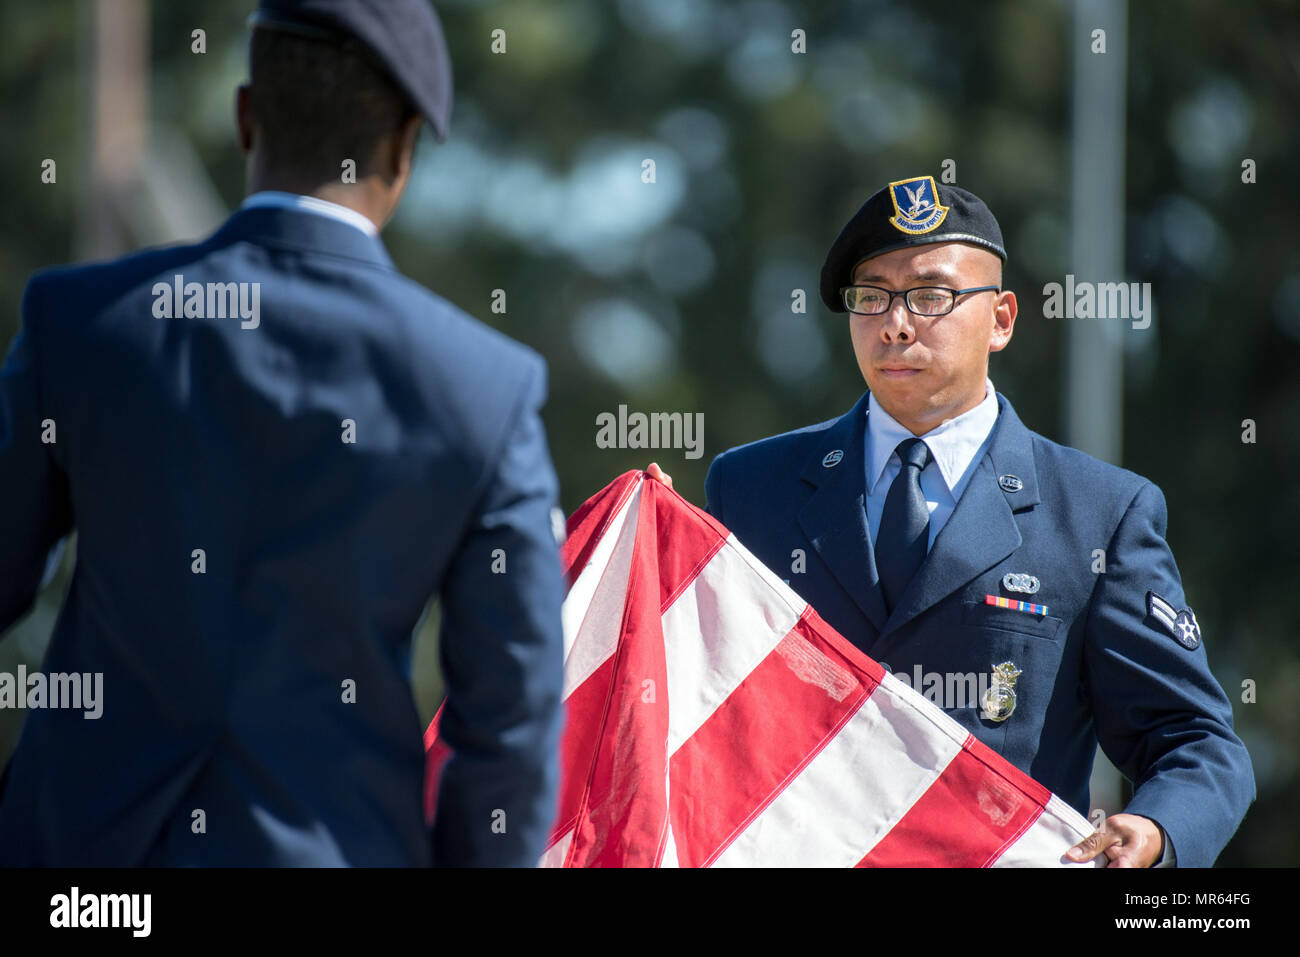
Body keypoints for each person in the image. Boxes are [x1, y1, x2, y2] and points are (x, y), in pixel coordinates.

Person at [0, 0, 565, 866]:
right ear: (407, 145)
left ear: (244, 115)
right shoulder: (486, 389)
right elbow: (510, 720)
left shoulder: (79, 323)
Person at [648, 175, 1254, 867]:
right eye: (871, 296)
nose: (895, 323)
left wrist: (1154, 830)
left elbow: (1193, 740)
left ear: (1001, 319)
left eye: (931, 296)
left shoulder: (1097, 513)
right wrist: (654, 560)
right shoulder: (751, 487)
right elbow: (686, 696)